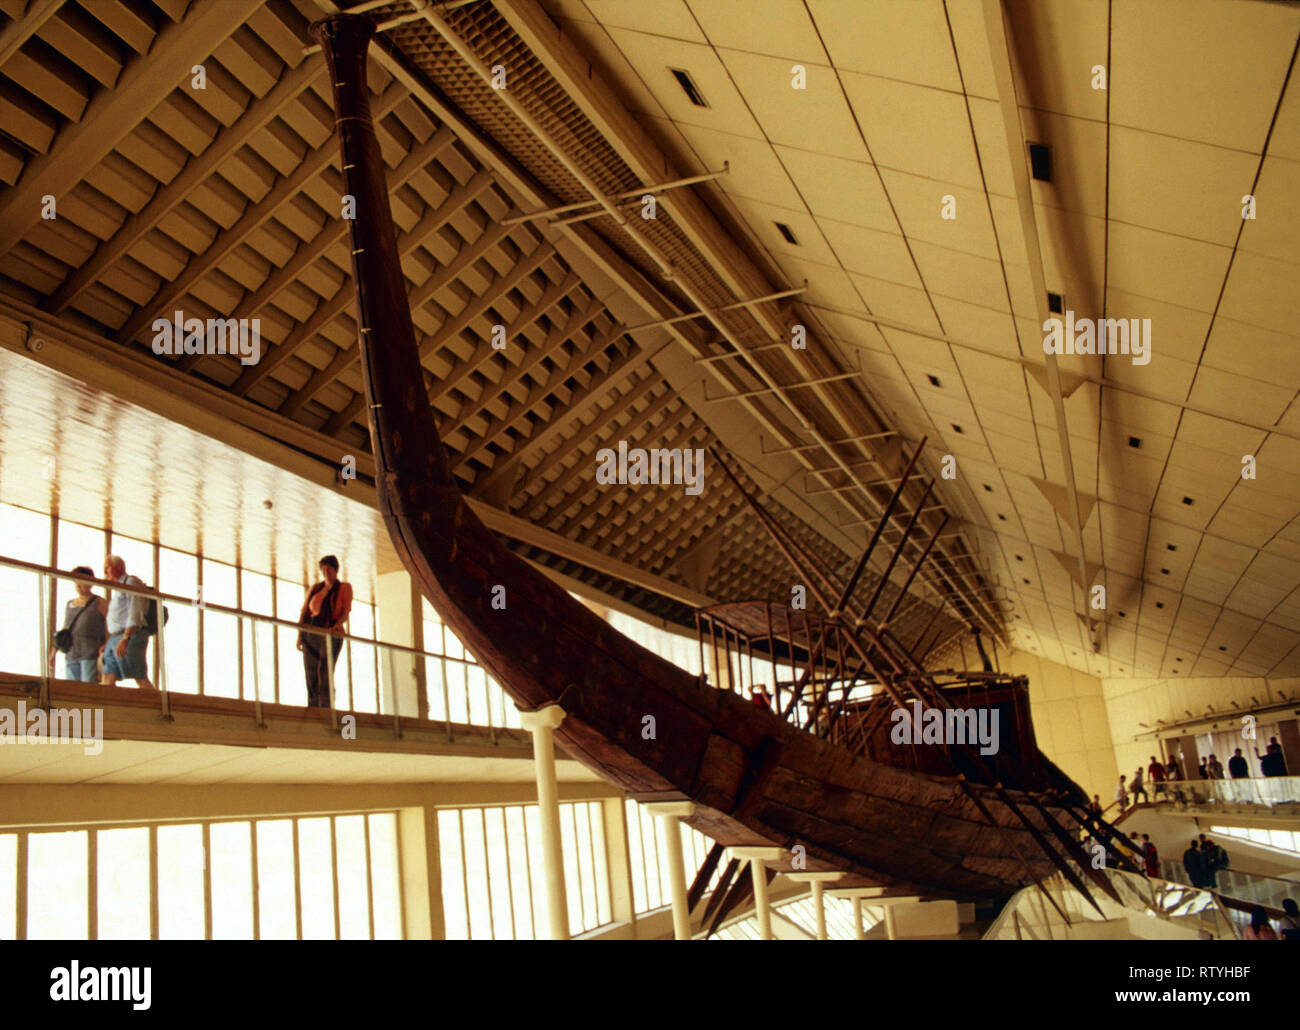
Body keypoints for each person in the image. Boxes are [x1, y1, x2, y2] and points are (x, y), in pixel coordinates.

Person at [298, 555, 352, 709]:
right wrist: (300, 635)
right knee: (311, 672)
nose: (326, 572)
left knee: (325, 672)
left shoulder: (344, 588)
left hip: (331, 632)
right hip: (311, 632)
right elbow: (304, 612)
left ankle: (327, 708)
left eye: (329, 569)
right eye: (323, 569)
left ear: (335, 570)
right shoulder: (315, 588)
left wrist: (336, 626)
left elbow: (346, 612)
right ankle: (313, 707)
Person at [100, 555, 155, 690]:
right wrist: (111, 641)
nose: (105, 572)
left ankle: (154, 701)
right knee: (108, 676)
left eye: (107, 568)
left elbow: (136, 612)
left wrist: (126, 637)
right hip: (117, 638)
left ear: (119, 568)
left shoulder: (131, 583)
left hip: (130, 635)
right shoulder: (119, 588)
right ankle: (106, 702)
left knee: (139, 676)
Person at [47, 566, 107, 682]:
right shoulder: (70, 604)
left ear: (90, 583)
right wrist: (54, 651)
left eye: (81, 582)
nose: (78, 585)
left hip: (91, 653)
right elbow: (65, 628)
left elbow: (109, 626)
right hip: (71, 653)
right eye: (76, 582)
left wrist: (106, 647)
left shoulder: (100, 602)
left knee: (89, 686)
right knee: (72, 687)